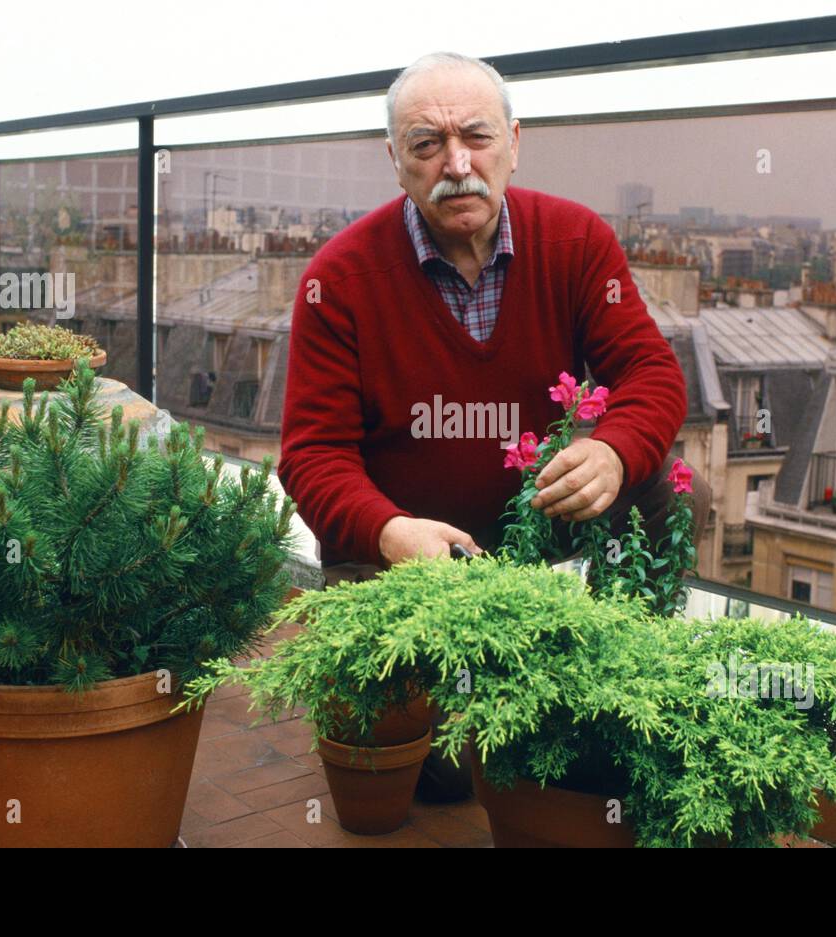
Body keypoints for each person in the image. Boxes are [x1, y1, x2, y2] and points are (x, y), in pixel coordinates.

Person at [278, 51, 711, 801]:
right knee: (443, 783)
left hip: (537, 526)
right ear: (395, 161)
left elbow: (651, 373)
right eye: (426, 144)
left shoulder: (576, 244)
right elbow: (312, 454)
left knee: (671, 494)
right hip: (403, 556)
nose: (456, 163)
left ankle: (618, 692)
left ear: (514, 142)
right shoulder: (338, 279)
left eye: (476, 137)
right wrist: (389, 532)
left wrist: (612, 449)